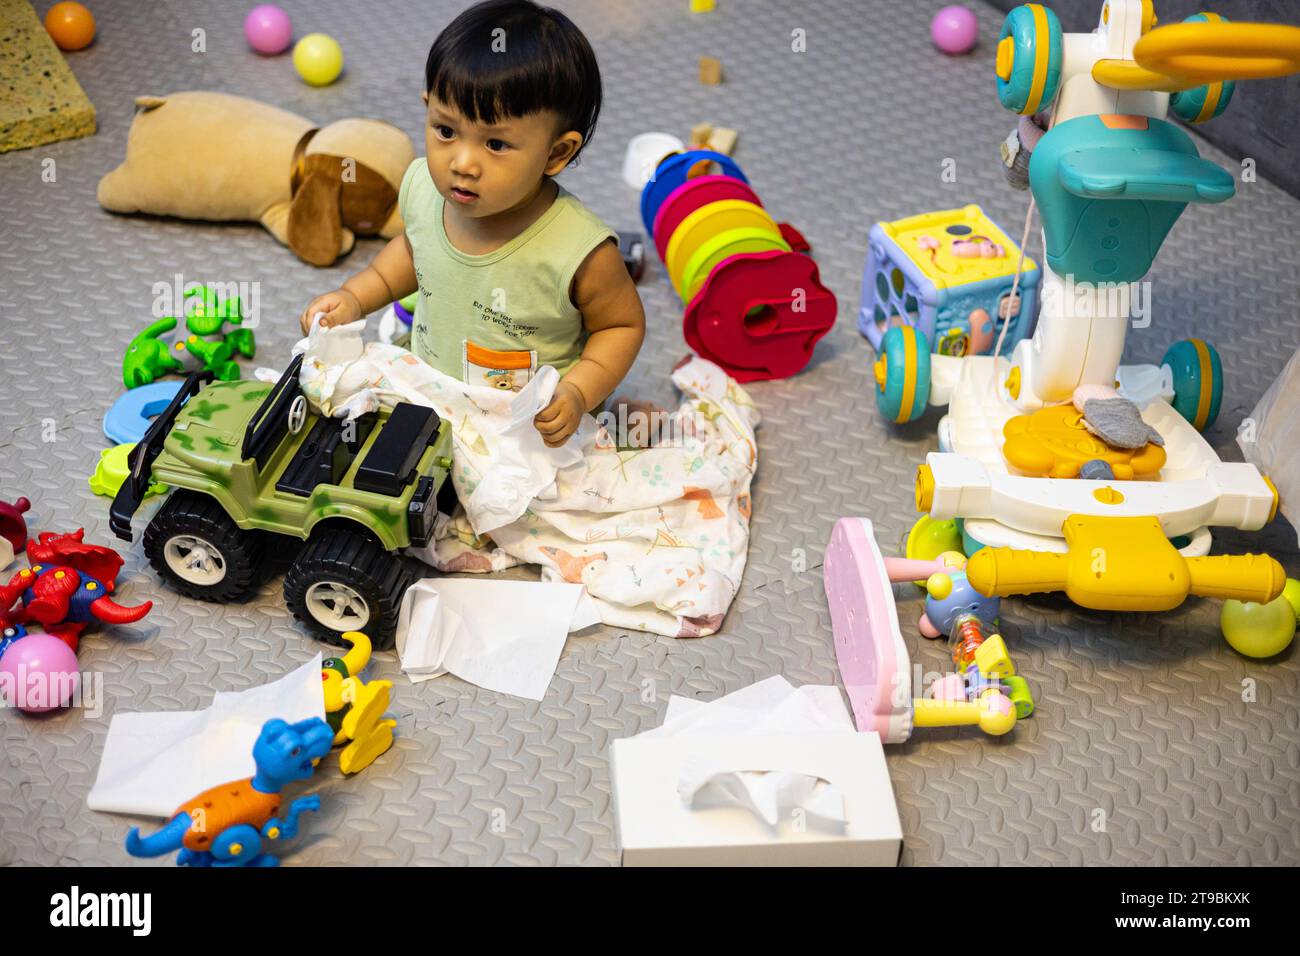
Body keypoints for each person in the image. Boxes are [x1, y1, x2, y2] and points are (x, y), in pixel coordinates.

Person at [299, 0, 644, 448]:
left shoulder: (581, 250)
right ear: (428, 108)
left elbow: (621, 327)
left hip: (530, 425)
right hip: (429, 389)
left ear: (557, 154)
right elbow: (410, 252)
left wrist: (579, 391)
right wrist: (353, 297)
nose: (462, 163)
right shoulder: (424, 186)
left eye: (496, 143)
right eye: (446, 131)